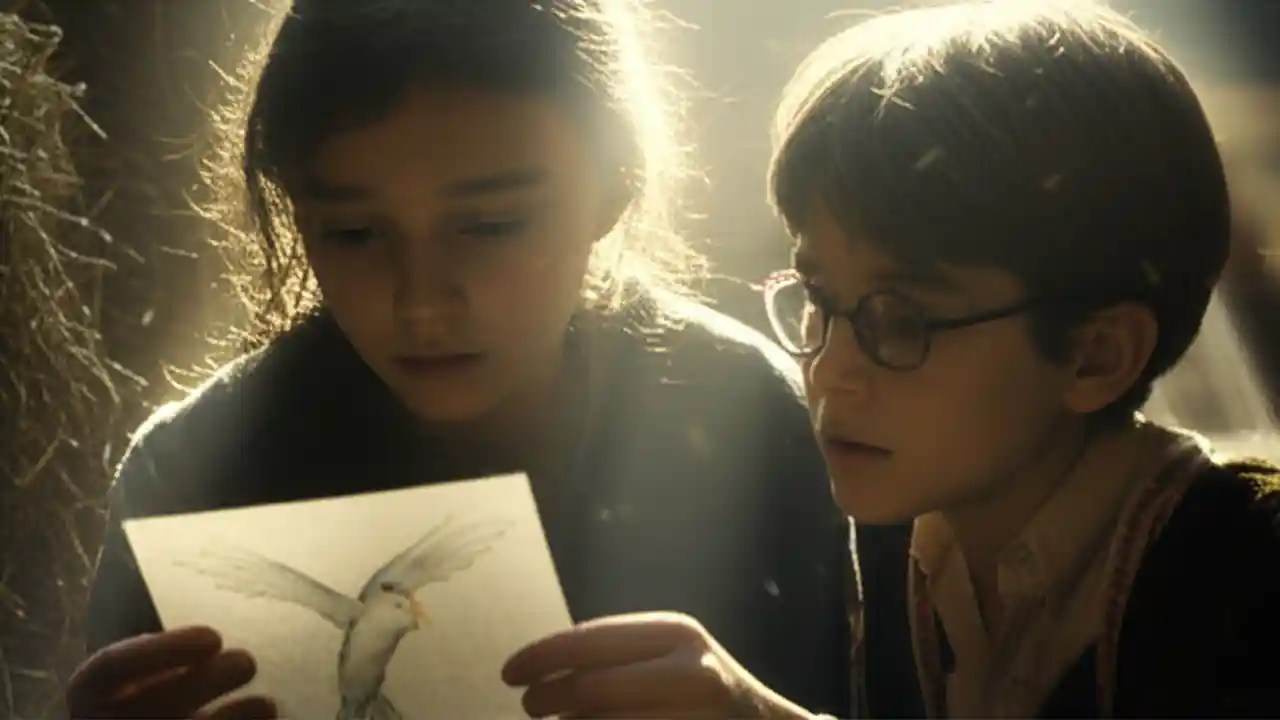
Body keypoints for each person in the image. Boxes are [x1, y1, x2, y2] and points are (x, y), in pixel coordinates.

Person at [67, 1, 853, 718]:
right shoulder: (194, 472)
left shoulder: (753, 423)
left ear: (615, 183)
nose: (423, 302)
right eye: (353, 234)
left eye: (491, 226)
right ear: (295, 213)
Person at [749, 0, 1280, 716]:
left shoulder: (1243, 580)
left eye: (901, 321)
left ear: (1095, 356)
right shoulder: (893, 533)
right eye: (817, 296)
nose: (829, 368)